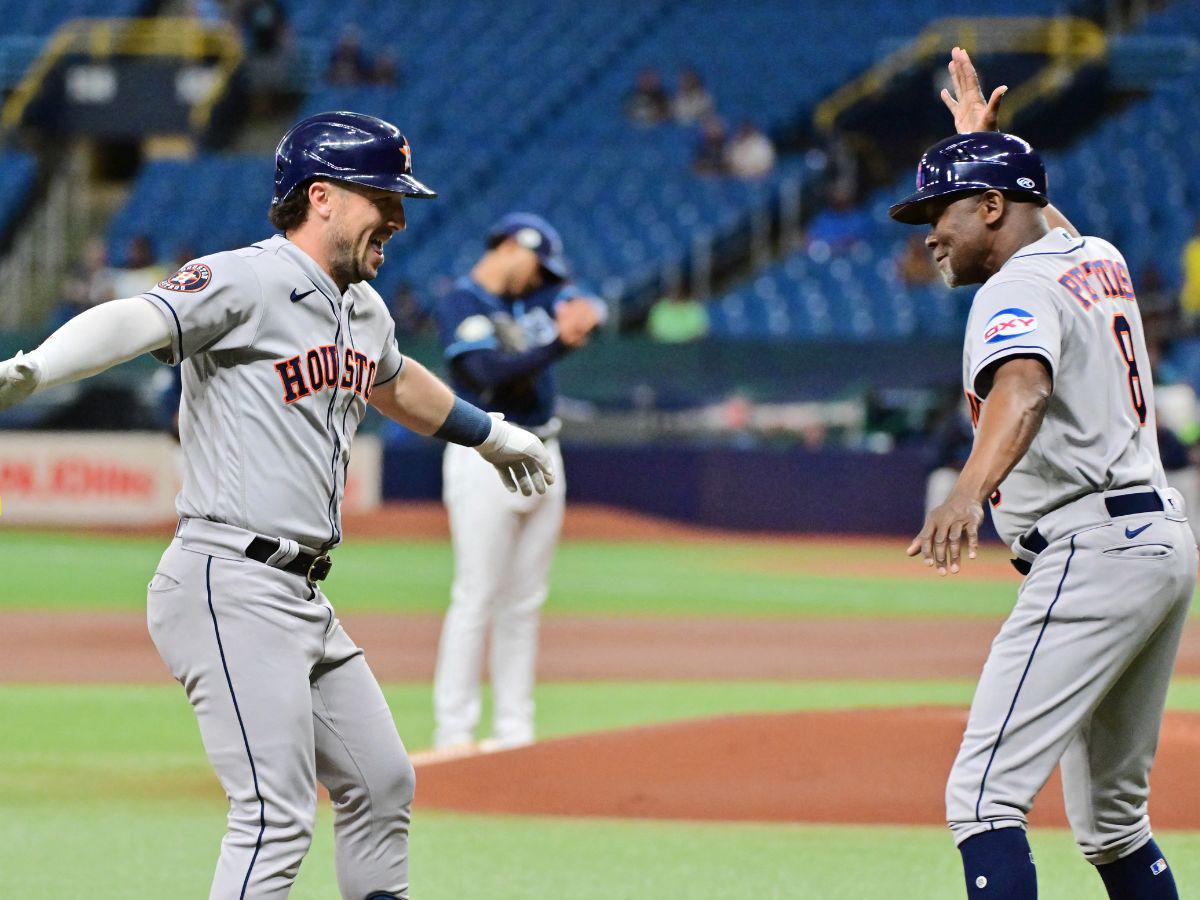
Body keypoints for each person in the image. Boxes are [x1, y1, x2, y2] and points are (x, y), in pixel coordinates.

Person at [0, 111, 556, 899]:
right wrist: (38, 368)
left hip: (300, 594)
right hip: (226, 579)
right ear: (321, 196)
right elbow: (139, 318)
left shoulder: (362, 308)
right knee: (274, 812)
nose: (398, 217)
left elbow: (395, 380)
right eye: (381, 196)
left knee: (383, 782)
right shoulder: (246, 277)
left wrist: (488, 432)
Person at [898, 48, 1195, 900]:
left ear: (993, 207)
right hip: (1159, 543)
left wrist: (964, 488)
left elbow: (1022, 390)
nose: (930, 233)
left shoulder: (1011, 288)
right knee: (1112, 823)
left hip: (1093, 547)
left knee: (983, 798)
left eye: (941, 211)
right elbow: (1043, 219)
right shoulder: (1090, 253)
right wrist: (983, 146)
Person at [429, 212, 605, 755]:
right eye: (536, 263)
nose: (541, 277)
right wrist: (560, 345)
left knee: (524, 602)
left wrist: (586, 311)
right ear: (507, 246)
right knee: (476, 596)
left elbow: (580, 301)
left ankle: (514, 732)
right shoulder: (463, 302)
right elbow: (484, 374)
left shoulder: (532, 298)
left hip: (546, 450)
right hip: (487, 453)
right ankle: (455, 733)